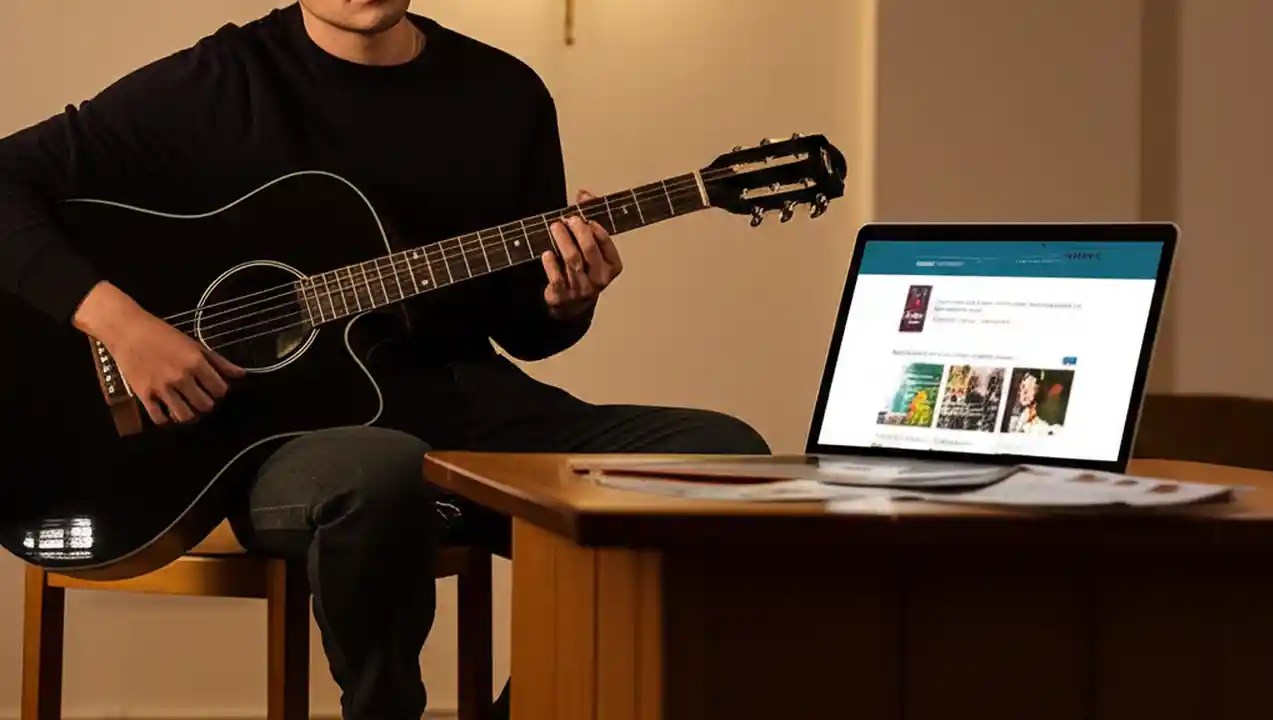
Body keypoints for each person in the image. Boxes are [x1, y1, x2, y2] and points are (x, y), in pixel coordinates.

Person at [0, 2, 770, 719]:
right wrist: (120, 323)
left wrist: (567, 298)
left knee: (722, 460)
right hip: (292, 445)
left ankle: (547, 702)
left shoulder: (502, 93)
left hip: (466, 412)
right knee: (383, 469)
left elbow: (522, 329)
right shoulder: (222, 82)